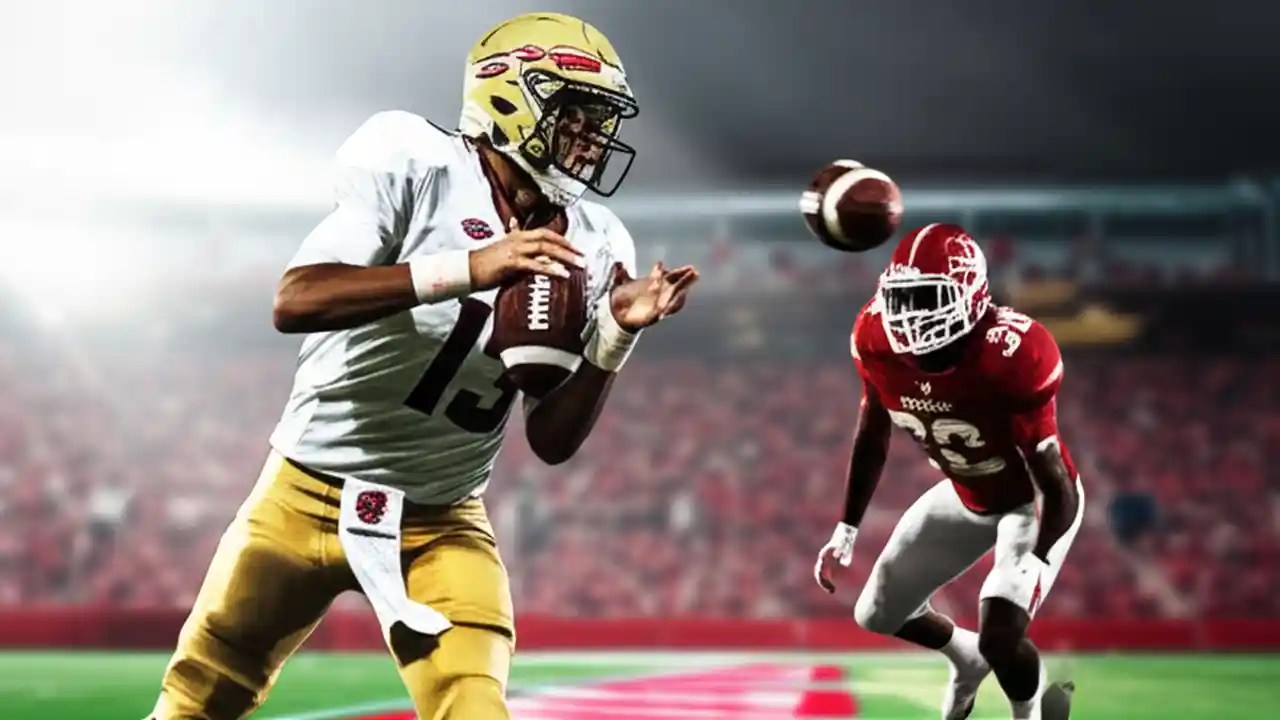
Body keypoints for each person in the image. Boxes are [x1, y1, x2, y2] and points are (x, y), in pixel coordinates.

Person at [147, 12, 698, 720]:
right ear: (509, 101)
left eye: (600, 120)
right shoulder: (415, 162)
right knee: (196, 702)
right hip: (299, 495)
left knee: (474, 708)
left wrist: (616, 335)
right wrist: (471, 267)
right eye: (578, 115)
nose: (594, 138)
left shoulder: (595, 241)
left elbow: (551, 440)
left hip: (439, 518)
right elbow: (296, 299)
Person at [815, 223, 1082, 720]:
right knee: (875, 613)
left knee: (1002, 629)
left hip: (1032, 502)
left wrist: (1036, 560)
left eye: (927, 297)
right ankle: (967, 656)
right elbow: (873, 431)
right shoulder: (874, 338)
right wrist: (846, 526)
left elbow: (1053, 481)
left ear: (972, 293)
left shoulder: (1011, 353)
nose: (913, 316)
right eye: (903, 299)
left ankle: (1030, 712)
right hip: (965, 493)